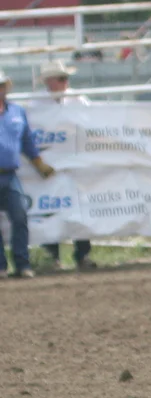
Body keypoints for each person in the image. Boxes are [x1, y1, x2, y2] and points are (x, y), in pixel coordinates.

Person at [36, 60, 92, 273]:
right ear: (49, 81)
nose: (64, 82)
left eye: (65, 78)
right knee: (50, 207)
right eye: (60, 78)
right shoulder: (36, 103)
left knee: (79, 208)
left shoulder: (79, 100)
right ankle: (52, 257)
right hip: (50, 165)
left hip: (75, 163)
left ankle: (83, 254)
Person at [0, 69, 55, 279]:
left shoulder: (17, 111)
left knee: (20, 217)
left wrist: (39, 164)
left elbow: (27, 142)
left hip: (10, 175)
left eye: (1, 86)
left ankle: (22, 264)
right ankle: (1, 267)